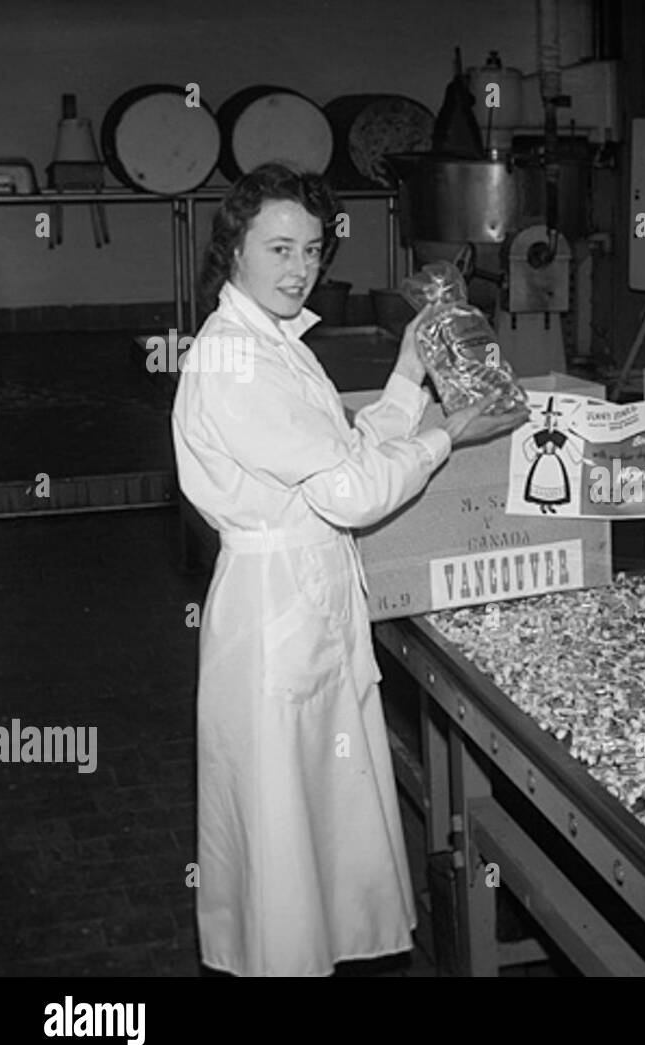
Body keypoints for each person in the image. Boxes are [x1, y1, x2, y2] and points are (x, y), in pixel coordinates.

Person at [171, 163, 526, 976]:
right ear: (233, 249)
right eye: (279, 248)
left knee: (319, 826)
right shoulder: (234, 362)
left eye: (314, 249)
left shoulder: (276, 344)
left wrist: (410, 370)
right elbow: (355, 492)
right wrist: (450, 436)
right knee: (278, 837)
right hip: (274, 619)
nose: (299, 268)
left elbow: (352, 451)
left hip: (312, 602)